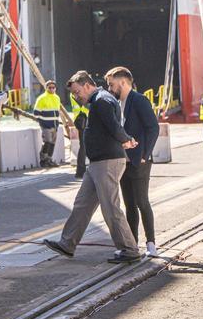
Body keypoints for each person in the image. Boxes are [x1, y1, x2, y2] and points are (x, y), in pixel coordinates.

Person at [44, 71, 141, 263]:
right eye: (73, 94)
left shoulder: (101, 101)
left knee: (110, 208)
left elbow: (114, 126)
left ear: (87, 85)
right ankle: (67, 243)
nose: (76, 97)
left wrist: (126, 139)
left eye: (77, 92)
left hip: (107, 162)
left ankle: (129, 249)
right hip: (98, 162)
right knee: (82, 204)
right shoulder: (99, 100)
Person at [106, 66, 160, 257]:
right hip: (123, 161)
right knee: (129, 205)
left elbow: (153, 128)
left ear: (123, 82)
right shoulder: (116, 104)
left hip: (139, 160)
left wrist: (145, 154)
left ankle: (151, 244)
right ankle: (132, 245)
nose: (110, 88)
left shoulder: (139, 100)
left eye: (111, 84)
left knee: (142, 202)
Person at [33, 81, 63, 167]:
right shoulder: (41, 98)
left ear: (55, 88)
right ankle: (43, 160)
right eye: (50, 87)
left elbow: (57, 112)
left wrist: (56, 124)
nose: (52, 89)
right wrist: (43, 122)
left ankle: (49, 160)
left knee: (52, 143)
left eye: (53, 87)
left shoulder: (57, 98)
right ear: (46, 88)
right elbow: (36, 113)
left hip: (55, 125)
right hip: (45, 125)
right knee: (47, 142)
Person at [67, 85, 89, 178]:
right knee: (83, 146)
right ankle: (80, 171)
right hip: (82, 118)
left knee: (84, 146)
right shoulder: (77, 93)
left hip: (81, 119)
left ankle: (81, 170)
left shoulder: (75, 92)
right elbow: (85, 104)